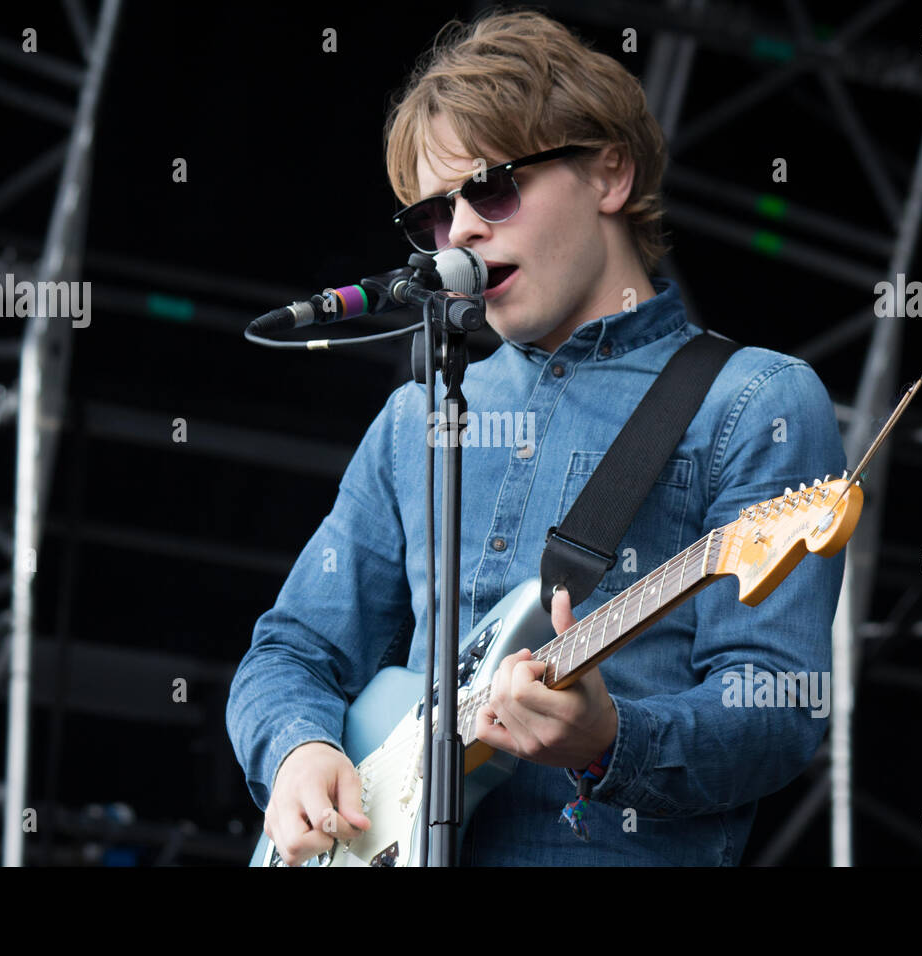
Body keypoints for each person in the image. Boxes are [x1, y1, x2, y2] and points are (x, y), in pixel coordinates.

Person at [226, 9, 845, 866]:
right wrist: (298, 749)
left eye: (490, 187)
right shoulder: (419, 417)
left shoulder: (754, 402)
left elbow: (777, 707)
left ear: (611, 174)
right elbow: (290, 649)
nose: (465, 231)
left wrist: (607, 737)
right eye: (435, 217)